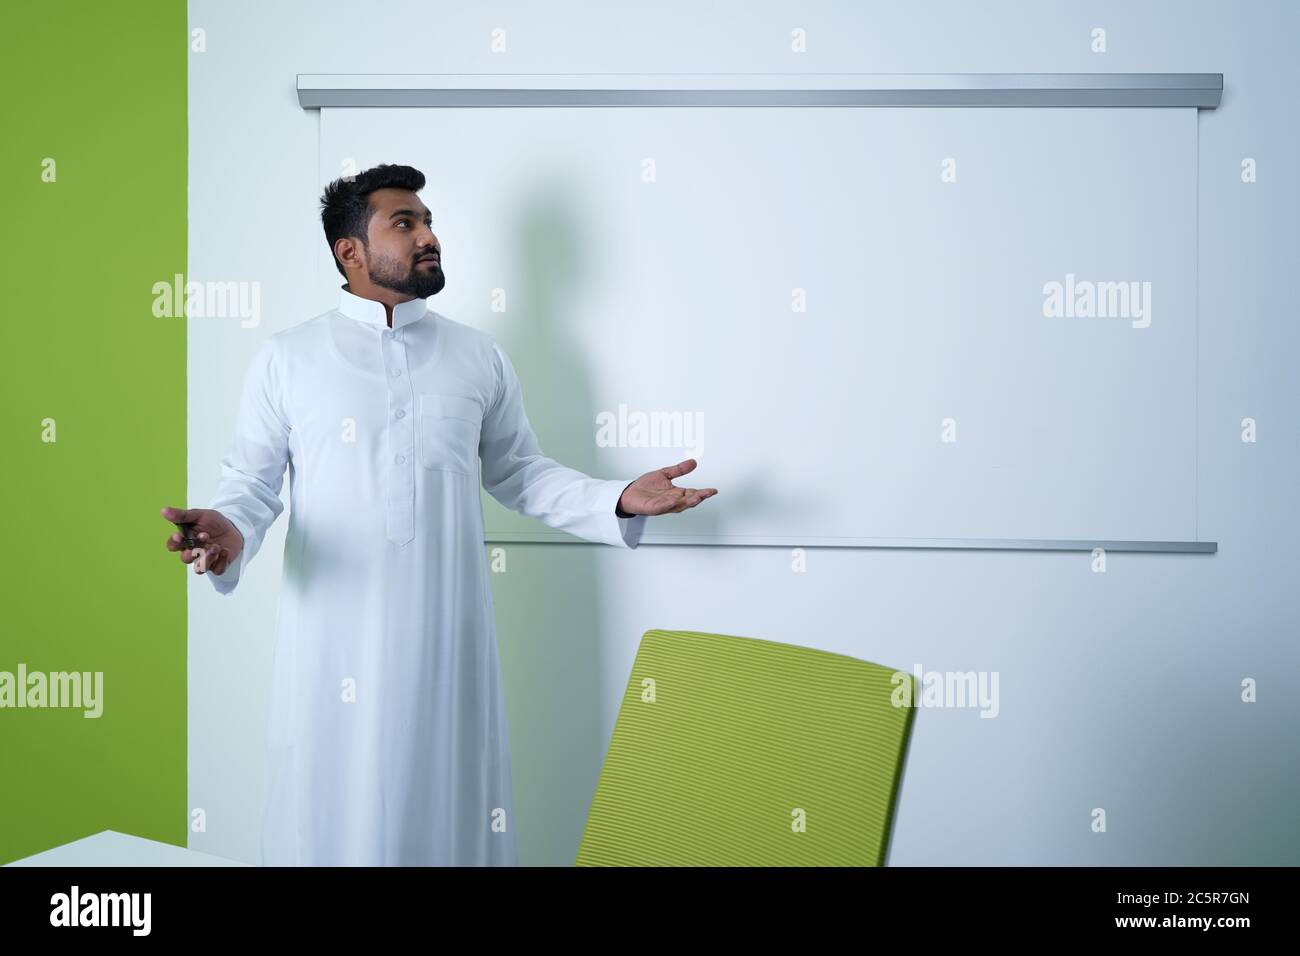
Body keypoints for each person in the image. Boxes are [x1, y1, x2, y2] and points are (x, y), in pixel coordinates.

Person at [160, 163, 717, 865]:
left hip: (448, 642)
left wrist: (617, 497)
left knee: (449, 811)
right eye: (405, 223)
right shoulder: (288, 359)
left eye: (428, 221)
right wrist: (230, 529)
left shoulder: (476, 356)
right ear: (350, 250)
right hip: (333, 646)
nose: (428, 236)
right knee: (333, 815)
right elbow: (250, 482)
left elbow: (519, 471)